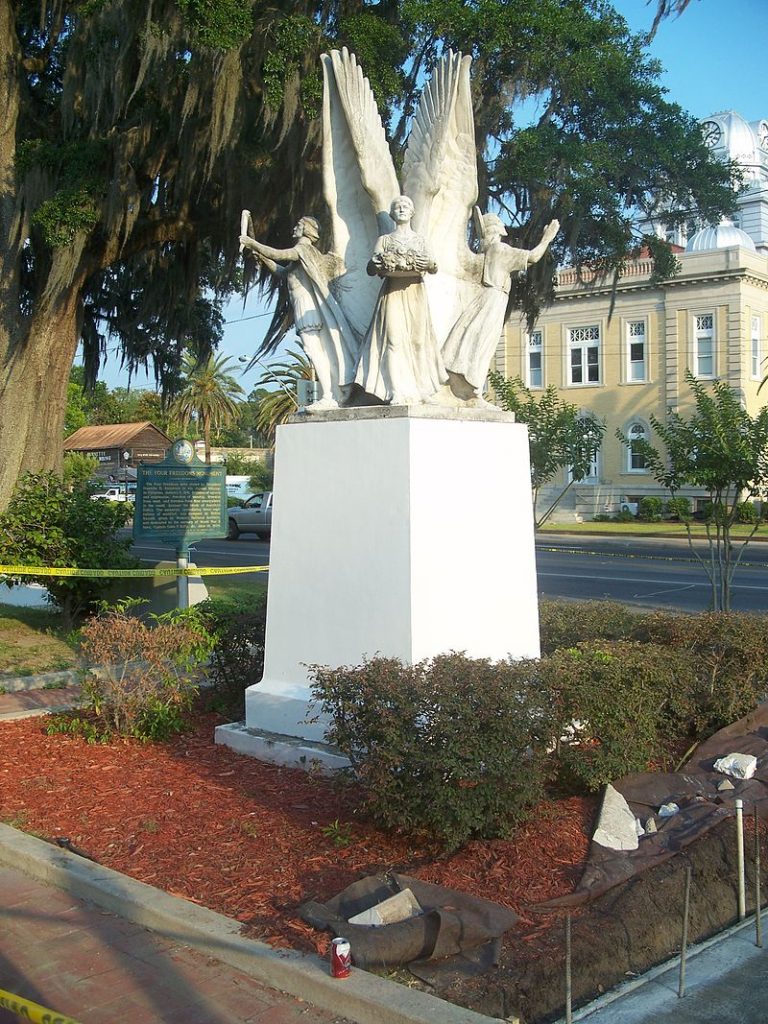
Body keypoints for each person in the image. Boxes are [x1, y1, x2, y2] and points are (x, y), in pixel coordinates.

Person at [239, 214, 358, 410]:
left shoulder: (303, 249)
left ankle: (329, 396)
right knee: (316, 351)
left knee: (315, 351)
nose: (294, 228)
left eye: (298, 225)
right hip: (302, 305)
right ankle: (331, 394)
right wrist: (261, 256)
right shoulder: (301, 256)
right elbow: (281, 271)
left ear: (306, 229)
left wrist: (252, 243)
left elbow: (278, 254)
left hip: (307, 306)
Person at [442, 214, 560, 404]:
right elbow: (533, 256)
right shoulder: (499, 249)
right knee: (481, 344)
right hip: (493, 300)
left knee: (474, 341)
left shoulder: (488, 252)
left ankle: (470, 390)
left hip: (488, 299)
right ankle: (473, 392)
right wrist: (547, 238)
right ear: (498, 231)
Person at [353, 196, 446, 406]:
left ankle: (421, 390)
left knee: (418, 342)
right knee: (393, 341)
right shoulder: (384, 240)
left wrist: (428, 263)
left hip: (415, 294)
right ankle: (396, 391)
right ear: (393, 213)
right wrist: (377, 263)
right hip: (392, 294)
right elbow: (371, 268)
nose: (402, 208)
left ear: (412, 212)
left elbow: (433, 266)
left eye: (406, 206)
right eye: (397, 206)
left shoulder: (421, 240)